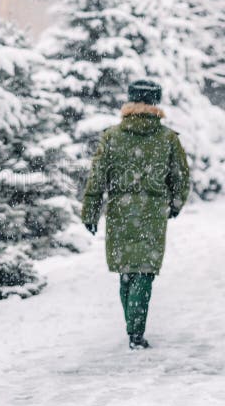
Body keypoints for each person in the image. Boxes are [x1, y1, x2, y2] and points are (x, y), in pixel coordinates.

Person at [81, 80, 191, 350]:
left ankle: (132, 325)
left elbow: (96, 179)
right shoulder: (167, 139)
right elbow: (180, 177)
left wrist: (91, 213)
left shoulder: (112, 137)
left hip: (120, 211)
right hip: (152, 215)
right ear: (156, 103)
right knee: (145, 272)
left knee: (126, 272)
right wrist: (175, 204)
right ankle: (136, 330)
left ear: (129, 102)